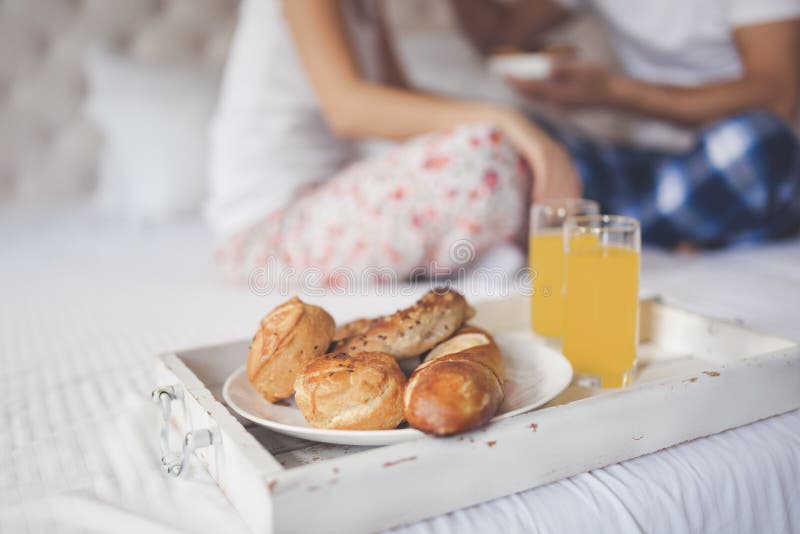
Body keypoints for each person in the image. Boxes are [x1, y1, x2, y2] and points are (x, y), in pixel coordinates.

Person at [208, 0, 578, 284]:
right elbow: (348, 110)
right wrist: (506, 122)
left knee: (506, 147)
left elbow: (398, 93)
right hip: (266, 236)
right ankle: (475, 257)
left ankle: (470, 256)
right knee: (483, 152)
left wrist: (518, 127)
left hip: (331, 198)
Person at [453, 0, 800, 247]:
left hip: (735, 164)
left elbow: (778, 96)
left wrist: (615, 92)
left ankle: (600, 224)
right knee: (515, 136)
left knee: (757, 141)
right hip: (646, 166)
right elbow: (500, 36)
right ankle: (661, 224)